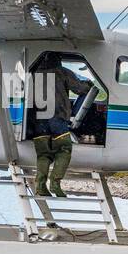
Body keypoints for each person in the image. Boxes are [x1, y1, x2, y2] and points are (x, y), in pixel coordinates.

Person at [31, 53, 93, 198]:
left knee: (43, 154)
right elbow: (81, 89)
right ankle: (55, 184)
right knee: (64, 149)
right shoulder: (62, 72)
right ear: (57, 60)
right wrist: (88, 84)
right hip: (57, 118)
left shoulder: (33, 73)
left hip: (38, 119)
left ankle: (40, 186)